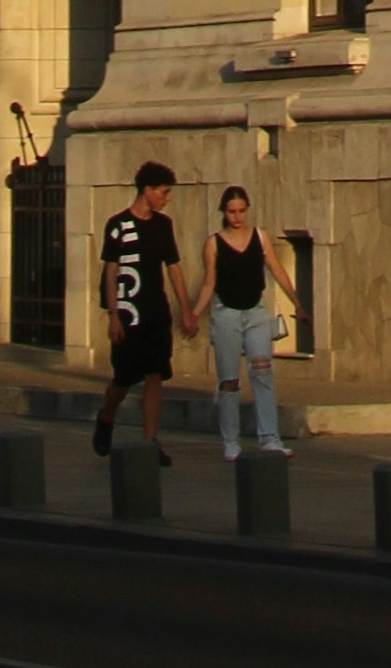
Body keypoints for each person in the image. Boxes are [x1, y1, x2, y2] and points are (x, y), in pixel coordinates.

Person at [202, 183, 300, 461]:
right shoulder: (214, 243)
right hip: (226, 313)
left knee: (262, 370)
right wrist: (193, 313)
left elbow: (278, 271)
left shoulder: (260, 237)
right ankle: (231, 441)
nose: (237, 216)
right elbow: (209, 283)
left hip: (256, 311)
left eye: (241, 211)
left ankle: (270, 437)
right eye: (232, 211)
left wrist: (298, 304)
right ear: (224, 212)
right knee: (229, 380)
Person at [96, 155, 186, 454]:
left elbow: (173, 266)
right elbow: (110, 271)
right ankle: (107, 416)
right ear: (147, 190)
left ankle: (150, 441)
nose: (166, 198)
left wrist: (185, 308)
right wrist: (112, 315)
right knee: (123, 378)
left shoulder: (163, 225)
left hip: (155, 312)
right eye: (163, 191)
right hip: (127, 312)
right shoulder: (118, 225)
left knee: (155, 374)